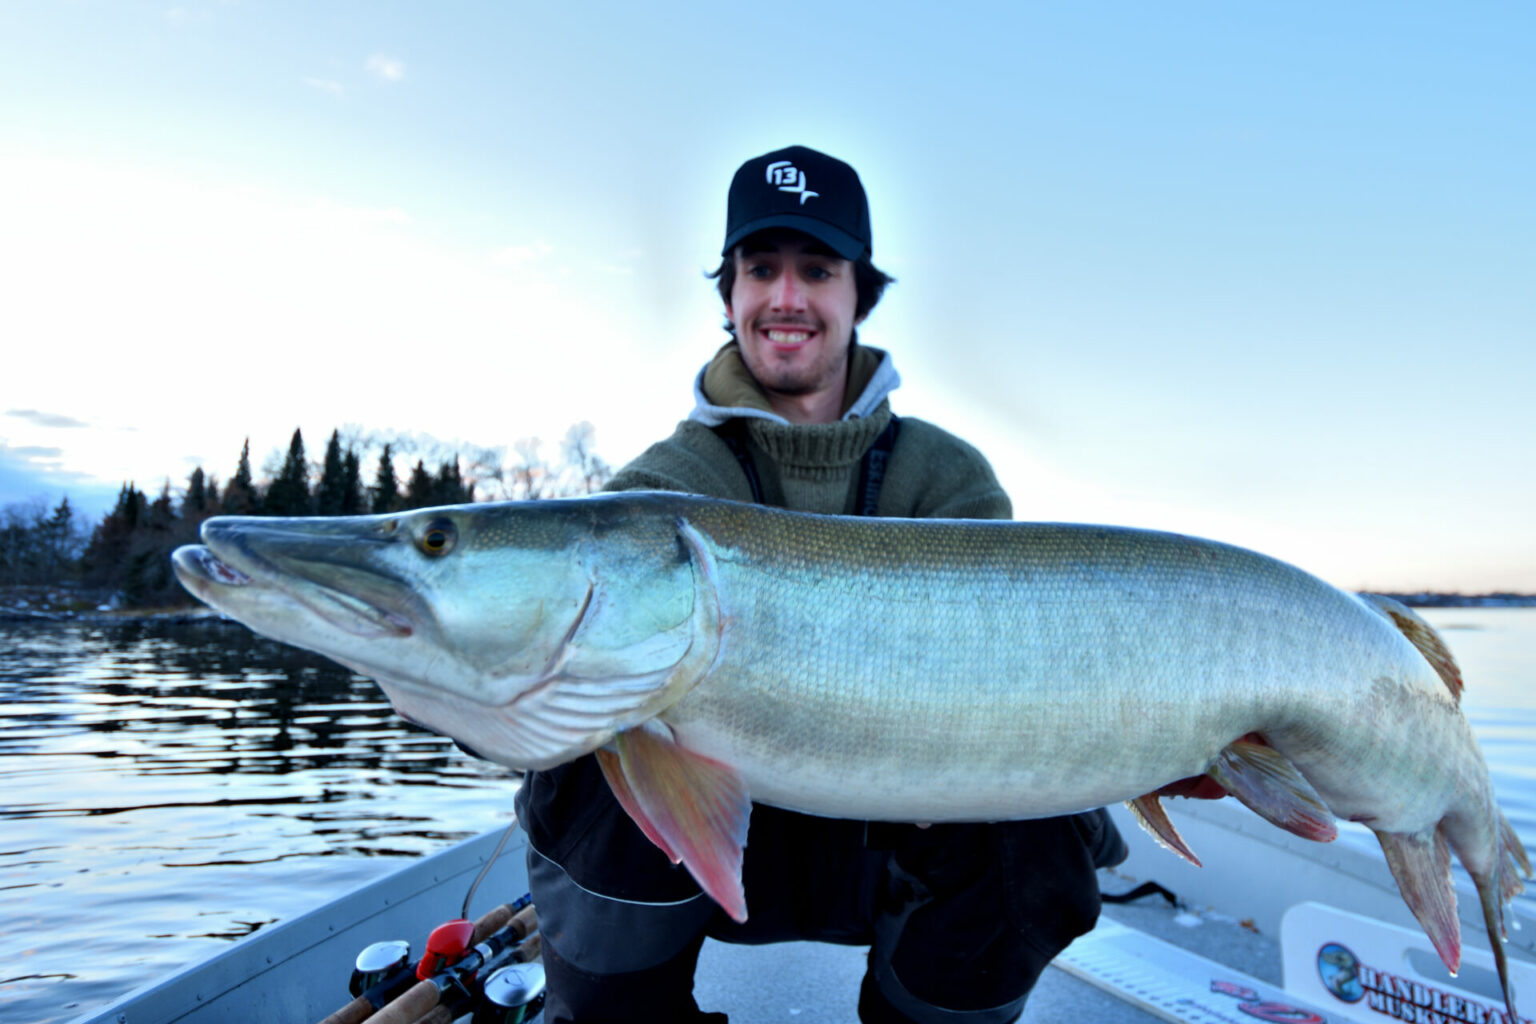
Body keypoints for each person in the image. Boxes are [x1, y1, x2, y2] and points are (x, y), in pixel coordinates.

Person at [514, 144, 1127, 1024]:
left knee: (1039, 821)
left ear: (859, 295)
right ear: (728, 296)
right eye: (760, 269)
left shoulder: (946, 477)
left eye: (818, 269)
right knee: (590, 763)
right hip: (703, 835)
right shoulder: (663, 485)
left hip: (896, 833)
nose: (787, 298)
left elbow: (1004, 672)